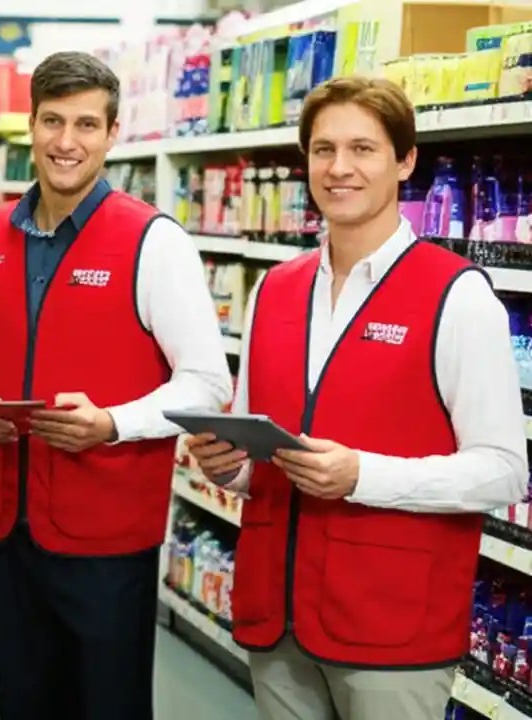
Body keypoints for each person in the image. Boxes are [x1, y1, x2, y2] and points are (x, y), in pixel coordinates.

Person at [185, 76, 528, 720]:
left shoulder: (457, 296)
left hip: (390, 628)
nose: (339, 168)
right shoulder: (274, 292)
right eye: (322, 150)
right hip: (277, 615)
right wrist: (228, 462)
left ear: (405, 162)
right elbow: (260, 443)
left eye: (363, 149)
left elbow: (504, 470)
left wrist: (361, 475)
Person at [0, 50, 233, 719]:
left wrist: (114, 423)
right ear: (31, 127)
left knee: (108, 705)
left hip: (106, 532)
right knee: (24, 702)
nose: (67, 142)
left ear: (113, 133)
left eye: (87, 125)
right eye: (53, 121)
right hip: (5, 524)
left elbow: (208, 381)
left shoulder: (153, 241)